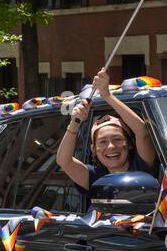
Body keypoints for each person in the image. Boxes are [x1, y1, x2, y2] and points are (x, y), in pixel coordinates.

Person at [56, 66, 158, 206]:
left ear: (129, 144)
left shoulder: (141, 165)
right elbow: (64, 161)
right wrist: (75, 123)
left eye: (117, 139)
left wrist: (107, 96)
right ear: (93, 149)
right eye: (102, 142)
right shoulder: (93, 176)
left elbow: (142, 132)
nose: (111, 147)